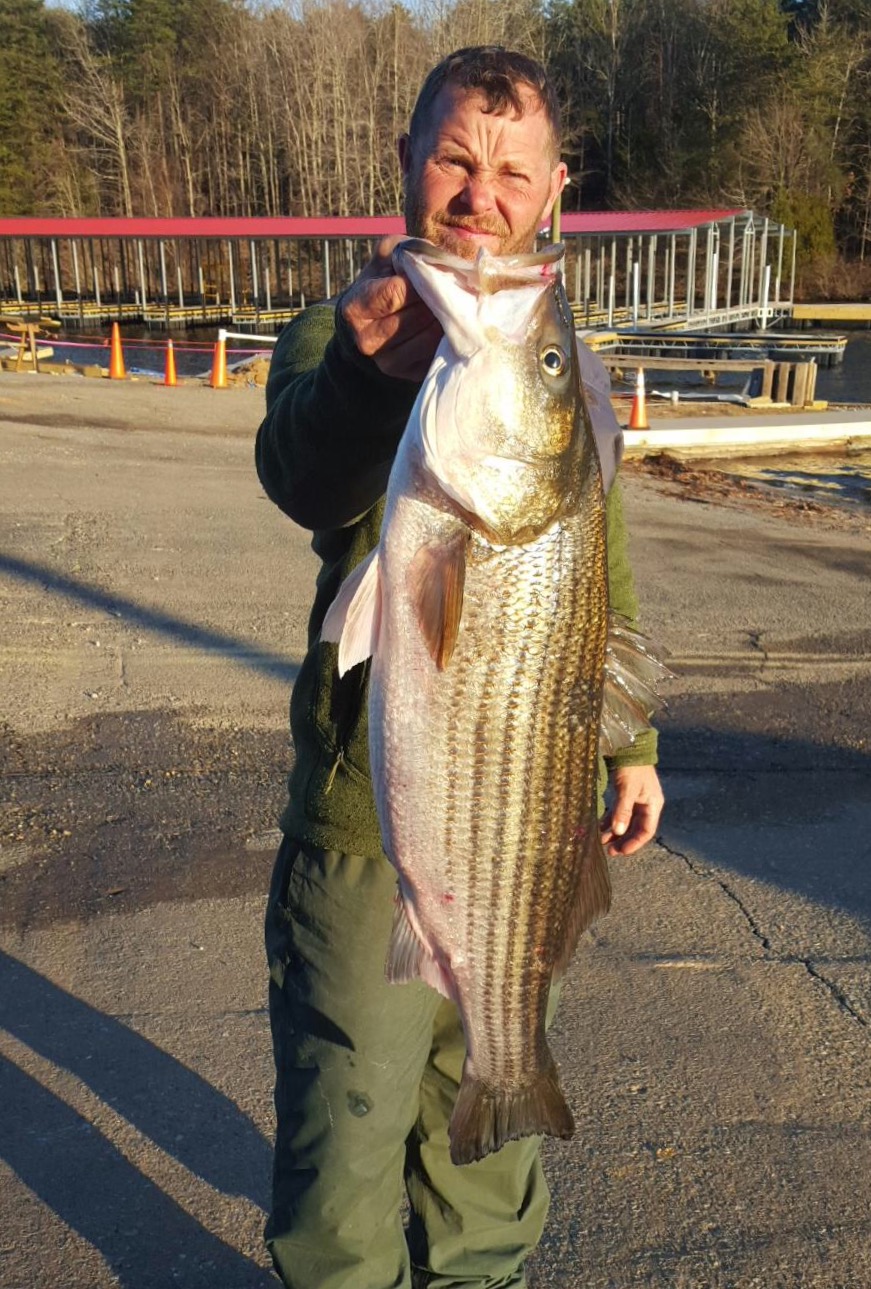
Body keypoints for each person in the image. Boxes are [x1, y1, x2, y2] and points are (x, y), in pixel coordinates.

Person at [256, 45, 664, 1289]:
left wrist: (633, 745)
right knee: (344, 1150)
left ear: (553, 191)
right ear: (406, 163)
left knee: (484, 1170)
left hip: (526, 824)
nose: (480, 195)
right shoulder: (343, 335)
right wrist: (363, 378)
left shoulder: (560, 365)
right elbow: (305, 476)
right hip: (361, 831)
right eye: (453, 160)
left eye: (511, 173)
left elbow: (595, 563)